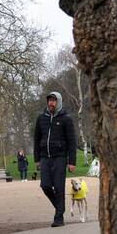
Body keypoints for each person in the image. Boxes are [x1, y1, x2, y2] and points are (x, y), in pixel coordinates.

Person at [34, 91, 78, 226]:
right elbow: (36, 139)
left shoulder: (66, 119)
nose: (51, 103)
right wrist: (37, 159)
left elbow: (72, 141)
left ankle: (59, 218)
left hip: (60, 157)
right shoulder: (41, 118)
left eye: (53, 100)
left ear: (58, 102)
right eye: (49, 100)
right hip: (44, 157)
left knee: (59, 187)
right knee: (45, 185)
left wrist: (72, 162)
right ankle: (60, 208)